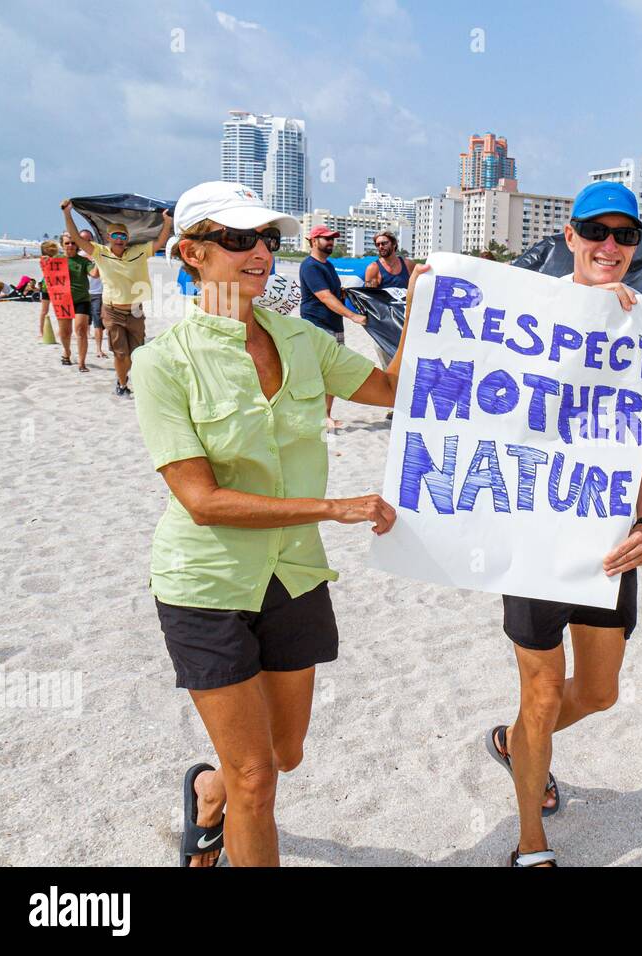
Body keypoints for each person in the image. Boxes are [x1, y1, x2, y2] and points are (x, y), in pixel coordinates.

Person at [131, 181, 420, 867]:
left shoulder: (300, 340)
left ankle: (207, 788)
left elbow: (390, 389)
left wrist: (428, 311)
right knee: (257, 780)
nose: (260, 251)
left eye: (269, 238)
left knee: (282, 755)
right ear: (193, 253)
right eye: (238, 239)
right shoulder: (162, 363)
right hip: (205, 584)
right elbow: (201, 500)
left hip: (292, 576)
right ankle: (229, 794)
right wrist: (333, 507)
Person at [487, 181, 642, 867]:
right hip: (535, 537)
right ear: (568, 236)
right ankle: (530, 844)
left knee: (598, 692)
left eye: (625, 235)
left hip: (607, 535)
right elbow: (474, 392)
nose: (610, 245)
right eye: (595, 231)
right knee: (540, 693)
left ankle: (514, 745)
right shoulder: (528, 312)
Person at [62, 200, 172, 396]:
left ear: (128, 238)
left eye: (123, 235)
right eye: (115, 235)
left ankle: (126, 376)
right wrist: (68, 214)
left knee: (136, 354)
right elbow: (78, 239)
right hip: (112, 311)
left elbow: (160, 242)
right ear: (108, 237)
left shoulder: (138, 252)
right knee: (121, 353)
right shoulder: (100, 253)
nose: (119, 239)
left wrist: (167, 222)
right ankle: (122, 384)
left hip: (136, 310)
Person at [298, 224, 368, 429]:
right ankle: (316, 417)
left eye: (332, 239)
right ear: (313, 241)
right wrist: (353, 316)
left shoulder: (327, 265)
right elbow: (324, 297)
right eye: (326, 238)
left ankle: (326, 415)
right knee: (319, 373)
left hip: (334, 325)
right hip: (318, 326)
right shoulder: (310, 266)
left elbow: (335, 294)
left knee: (333, 372)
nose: (331, 242)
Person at [362, 229, 412, 374]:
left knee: (407, 366)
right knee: (389, 369)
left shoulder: (408, 265)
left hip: (405, 323)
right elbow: (369, 298)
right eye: (377, 245)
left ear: (394, 244)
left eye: (384, 243)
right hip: (385, 325)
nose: (380, 247)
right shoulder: (374, 268)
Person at [59, 231, 94, 372]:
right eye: (67, 243)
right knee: (65, 333)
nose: (70, 245)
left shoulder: (84, 261)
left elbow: (94, 274)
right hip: (63, 300)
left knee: (80, 330)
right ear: (62, 245)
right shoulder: (57, 261)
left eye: (73, 243)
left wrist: (97, 260)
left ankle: (81, 362)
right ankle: (67, 351)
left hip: (82, 300)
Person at [80, 228, 107, 358]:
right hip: (83, 293)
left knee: (98, 319)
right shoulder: (78, 255)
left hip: (98, 292)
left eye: (89, 239)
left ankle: (98, 349)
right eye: (83, 239)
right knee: (84, 320)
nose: (86, 242)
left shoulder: (99, 253)